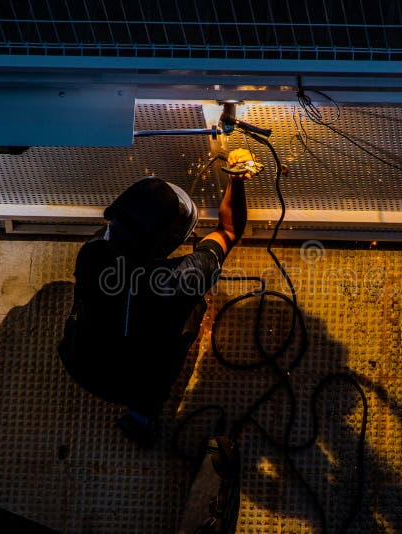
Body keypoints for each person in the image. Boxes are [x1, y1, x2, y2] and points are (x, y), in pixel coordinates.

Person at [58, 148, 255, 448]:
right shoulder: (183, 278)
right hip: (132, 384)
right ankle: (143, 413)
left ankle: (138, 409)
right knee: (194, 311)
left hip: (79, 362)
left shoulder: (92, 254)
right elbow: (228, 230)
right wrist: (237, 178)